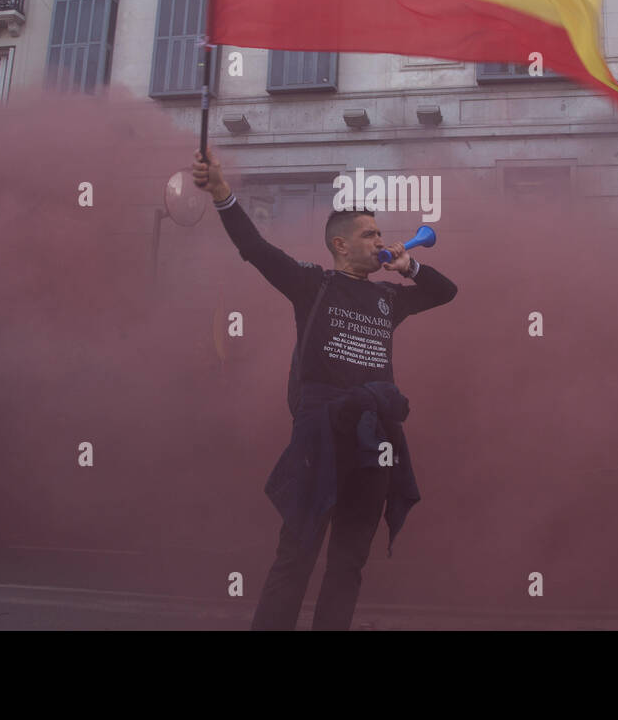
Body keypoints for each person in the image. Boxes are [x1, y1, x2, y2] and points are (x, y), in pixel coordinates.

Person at [192, 148, 458, 630]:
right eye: (370, 234)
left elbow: (446, 293)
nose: (381, 239)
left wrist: (409, 268)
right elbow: (256, 249)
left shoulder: (388, 297)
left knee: (349, 563)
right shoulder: (312, 285)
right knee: (296, 556)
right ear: (340, 245)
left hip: (374, 439)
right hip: (321, 436)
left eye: (380, 232)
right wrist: (221, 192)